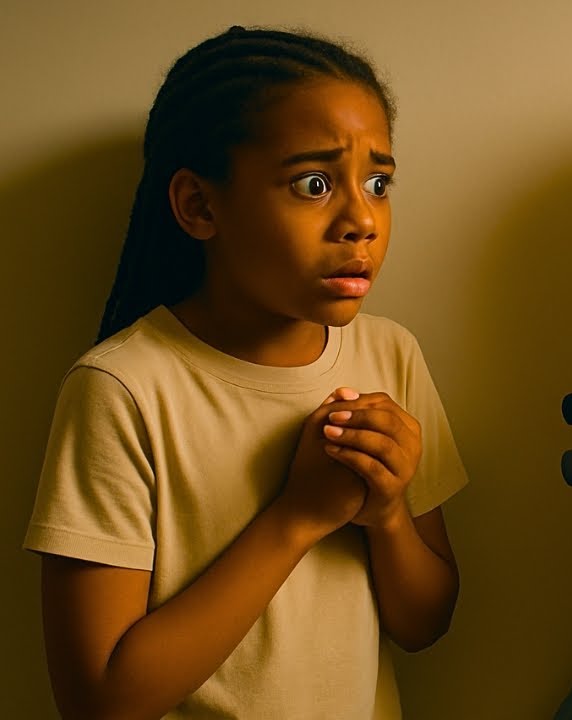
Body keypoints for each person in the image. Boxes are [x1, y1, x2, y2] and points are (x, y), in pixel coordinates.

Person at [23, 26, 467, 719]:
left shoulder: (392, 357)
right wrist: (296, 518)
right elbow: (99, 700)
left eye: (378, 182)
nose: (362, 220)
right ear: (200, 206)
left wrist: (385, 516)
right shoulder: (123, 390)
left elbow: (427, 623)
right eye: (314, 183)